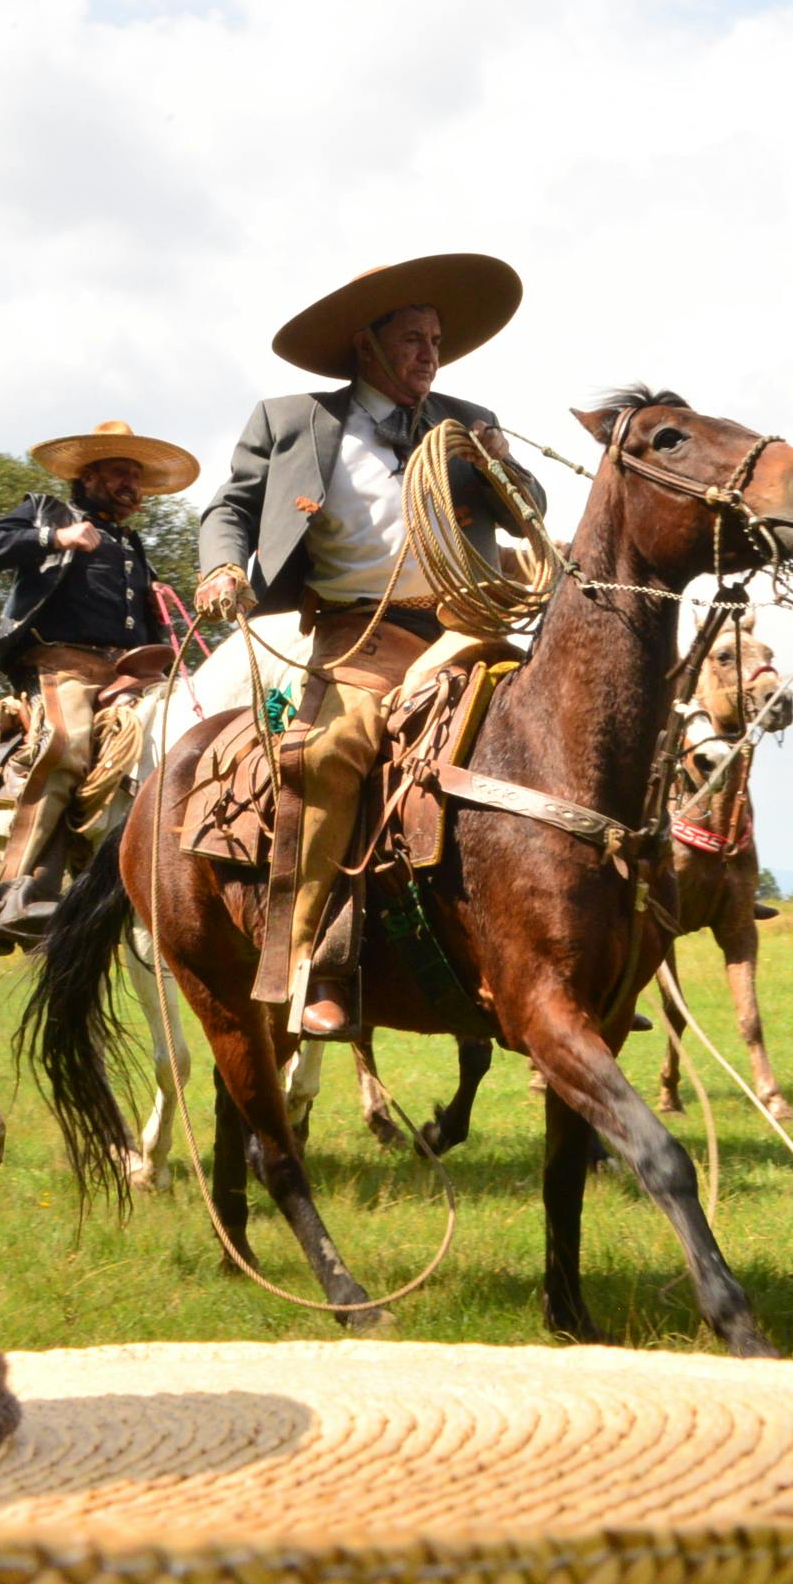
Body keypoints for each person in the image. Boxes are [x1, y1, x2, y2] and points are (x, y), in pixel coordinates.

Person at [195, 254, 545, 1039]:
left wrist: (502, 465)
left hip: (468, 624)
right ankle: (315, 959)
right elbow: (233, 507)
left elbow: (532, 511)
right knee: (327, 754)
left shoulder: (465, 420)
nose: (430, 354)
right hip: (361, 633)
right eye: (414, 338)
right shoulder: (290, 421)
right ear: (366, 343)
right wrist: (222, 567)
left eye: (437, 340)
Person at [0, 419, 199, 949]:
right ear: (89, 475)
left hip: (130, 673)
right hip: (64, 664)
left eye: (138, 479)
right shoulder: (48, 512)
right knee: (68, 749)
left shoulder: (132, 545)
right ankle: (13, 893)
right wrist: (55, 537)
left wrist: (154, 604)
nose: (132, 487)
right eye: (122, 473)